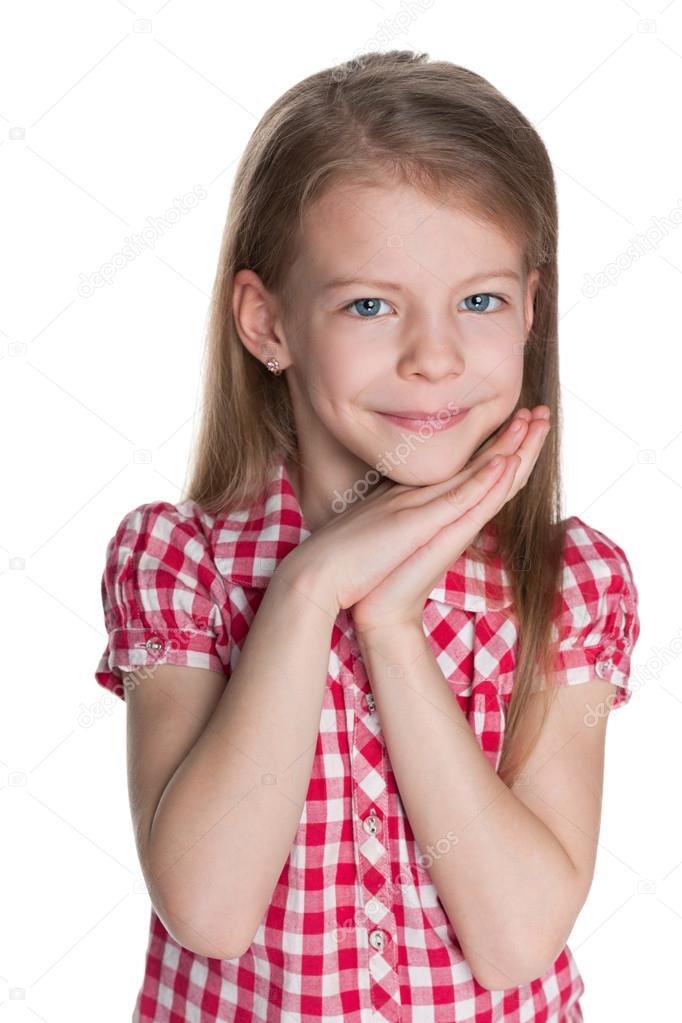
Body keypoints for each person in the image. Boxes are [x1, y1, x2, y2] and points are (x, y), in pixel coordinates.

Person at [95, 49, 640, 1022]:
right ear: (267, 323)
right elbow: (209, 912)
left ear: (531, 310)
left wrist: (389, 621)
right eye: (369, 304)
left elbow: (516, 943)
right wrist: (309, 592)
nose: (433, 357)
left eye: (478, 301)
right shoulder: (180, 565)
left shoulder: (567, 584)